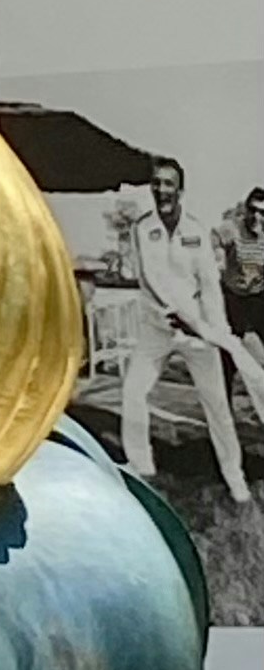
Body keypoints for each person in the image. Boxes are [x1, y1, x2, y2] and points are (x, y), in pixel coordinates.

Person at [121, 156, 264, 502]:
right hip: (159, 329)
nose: (161, 189)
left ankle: (236, 479)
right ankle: (141, 470)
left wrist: (213, 327)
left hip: (197, 333)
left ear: (180, 190)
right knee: (133, 393)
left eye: (168, 183)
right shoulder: (142, 228)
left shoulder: (196, 232)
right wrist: (178, 316)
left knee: (217, 404)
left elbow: (209, 284)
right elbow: (151, 281)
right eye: (156, 183)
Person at [218, 187, 264, 362]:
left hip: (258, 295)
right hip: (234, 296)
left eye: (262, 212)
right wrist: (218, 254)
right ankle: (225, 386)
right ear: (245, 209)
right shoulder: (232, 228)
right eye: (253, 210)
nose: (257, 217)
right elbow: (214, 239)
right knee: (230, 349)